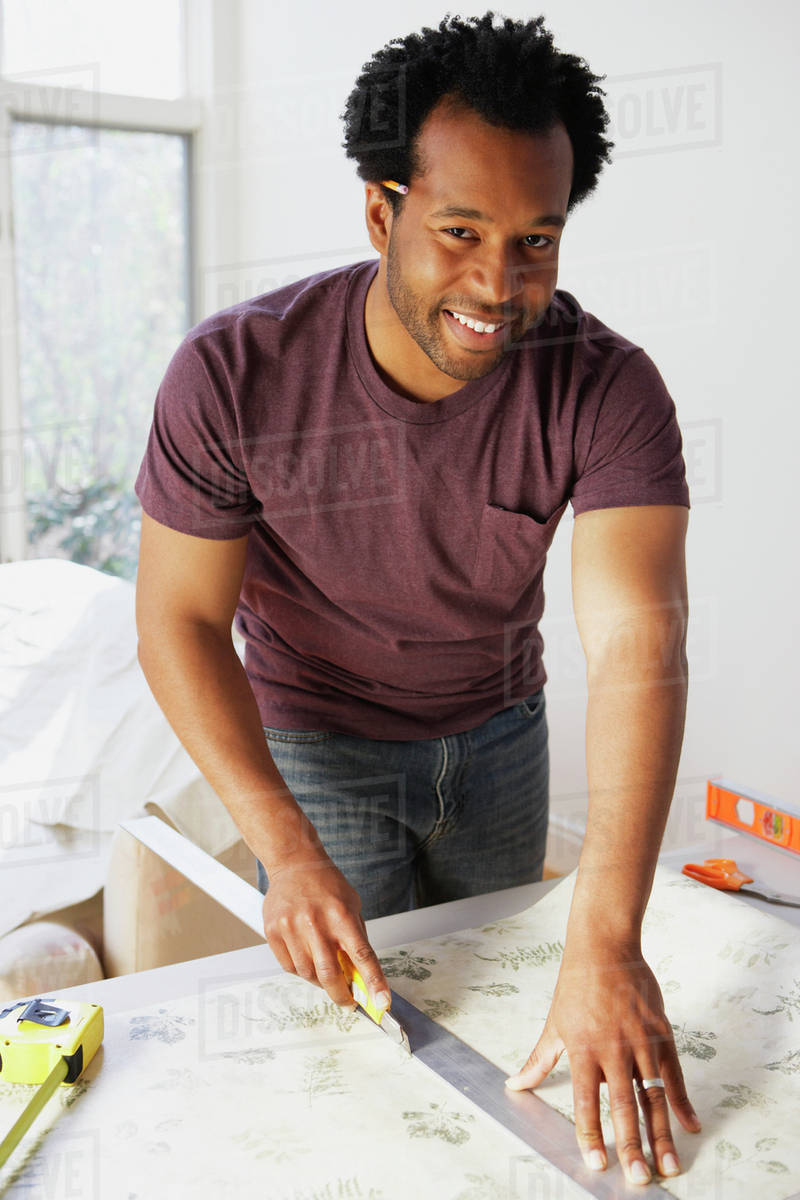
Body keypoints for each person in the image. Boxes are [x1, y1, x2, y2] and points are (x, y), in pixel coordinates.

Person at [135, 11, 702, 1186]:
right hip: (316, 744)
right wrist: (283, 849)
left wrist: (606, 940)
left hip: (499, 742)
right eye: (460, 231)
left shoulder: (609, 389)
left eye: (535, 240)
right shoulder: (231, 374)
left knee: (501, 1012)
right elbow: (178, 620)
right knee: (353, 1059)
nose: (499, 285)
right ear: (380, 211)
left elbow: (637, 646)